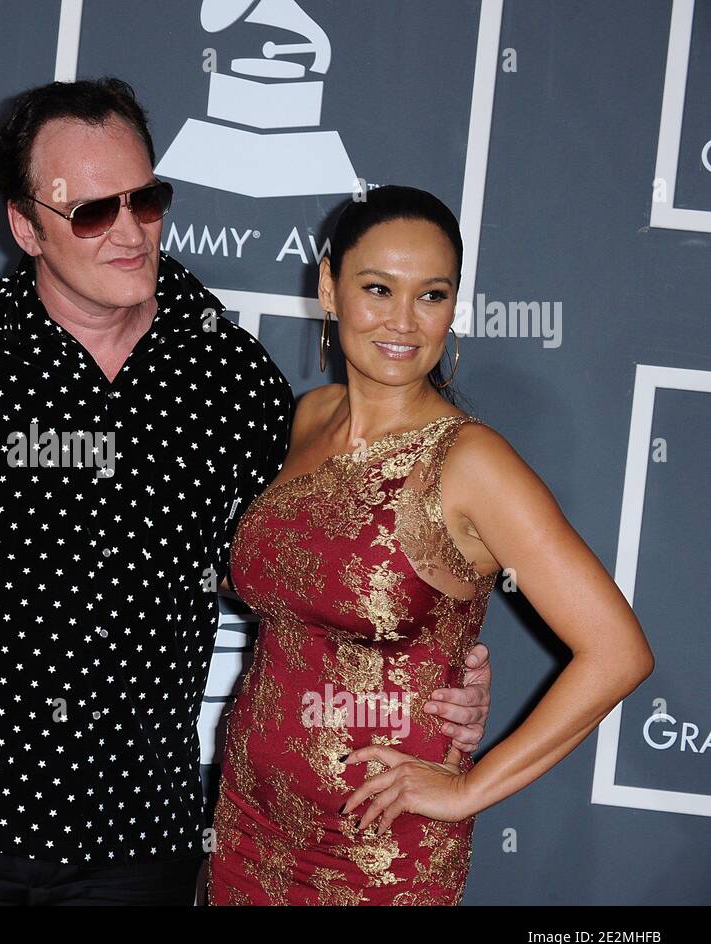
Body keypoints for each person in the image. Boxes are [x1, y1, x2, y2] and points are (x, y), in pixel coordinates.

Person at [0, 80, 492, 907]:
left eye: (147, 199)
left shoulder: (229, 377)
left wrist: (425, 667)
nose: (131, 232)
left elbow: (310, 564)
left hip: (140, 845)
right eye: (93, 212)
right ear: (26, 226)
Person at [206, 186, 655, 905]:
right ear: (329, 285)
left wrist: (470, 788)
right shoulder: (310, 416)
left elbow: (618, 650)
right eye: (378, 288)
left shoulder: (469, 462)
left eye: (432, 294)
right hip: (247, 824)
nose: (404, 322)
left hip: (380, 850)